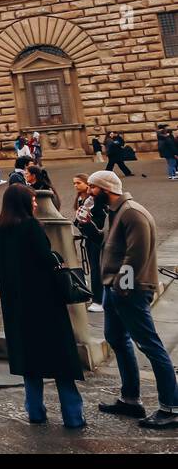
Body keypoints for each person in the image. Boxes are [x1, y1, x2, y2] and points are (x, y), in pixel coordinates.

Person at [89, 171, 178, 428]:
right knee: (117, 338)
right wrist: (87, 228)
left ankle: (171, 407)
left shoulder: (131, 213)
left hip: (131, 291)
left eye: (93, 189)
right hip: (117, 290)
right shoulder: (116, 212)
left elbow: (134, 258)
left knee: (150, 345)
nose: (89, 194)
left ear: (106, 188)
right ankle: (130, 400)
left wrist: (120, 289)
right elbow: (110, 247)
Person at [0, 184, 85, 428]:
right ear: (23, 202)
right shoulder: (30, 227)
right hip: (44, 305)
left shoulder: (0, 228)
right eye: (32, 200)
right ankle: (73, 416)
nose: (36, 204)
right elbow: (45, 261)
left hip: (16, 306)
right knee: (62, 364)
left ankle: (35, 412)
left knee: (30, 365)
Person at [71, 173, 105, 313]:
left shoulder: (96, 200)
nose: (75, 186)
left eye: (78, 183)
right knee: (94, 267)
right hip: (90, 236)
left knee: (97, 268)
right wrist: (79, 222)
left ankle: (99, 299)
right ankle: (97, 297)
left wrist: (85, 222)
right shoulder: (82, 199)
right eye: (74, 183)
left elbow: (100, 220)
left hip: (96, 236)